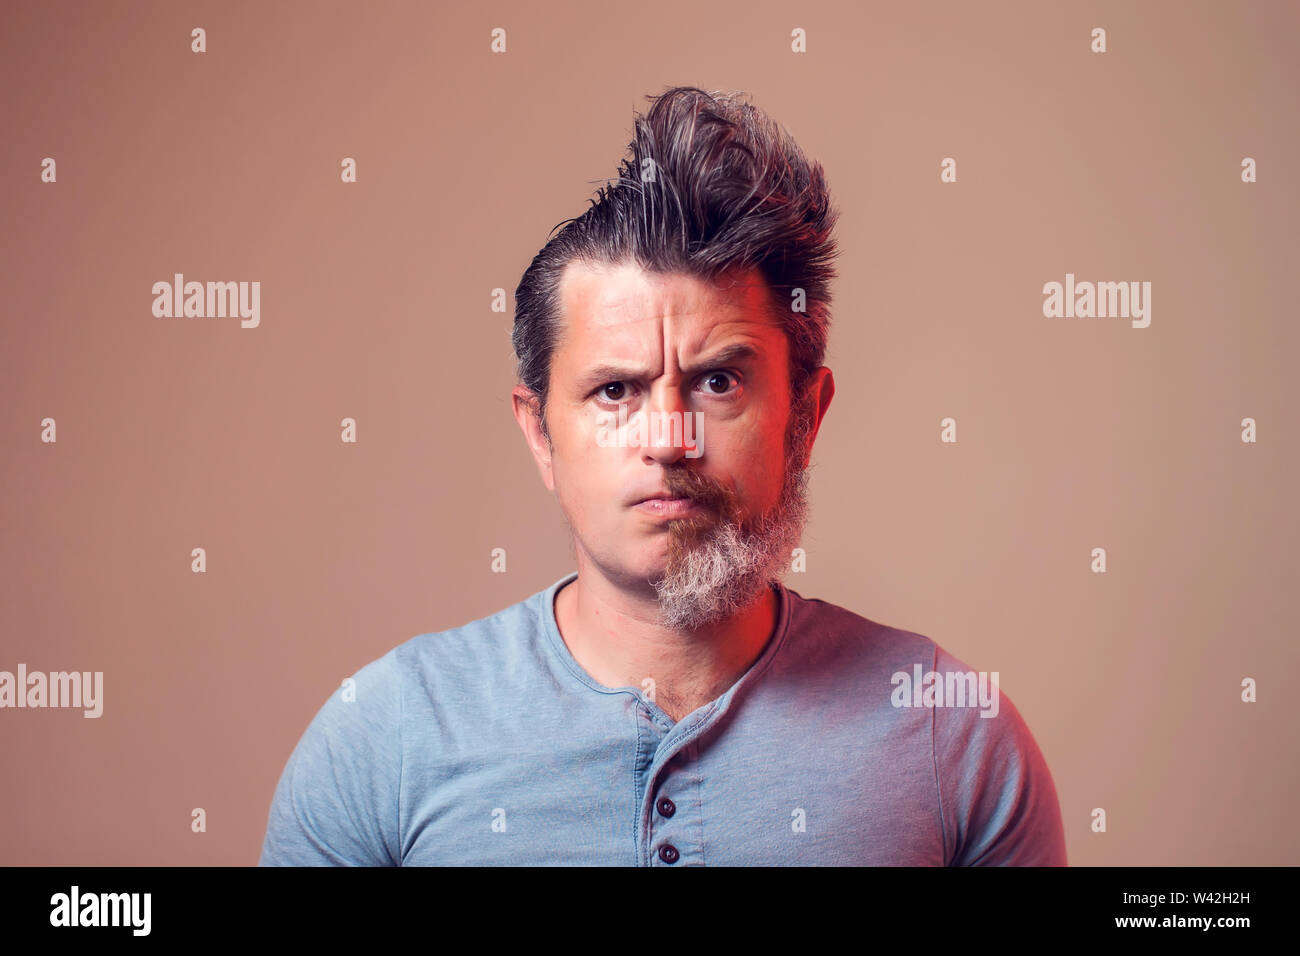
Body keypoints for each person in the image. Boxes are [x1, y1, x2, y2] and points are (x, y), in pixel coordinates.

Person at [258, 86, 1067, 866]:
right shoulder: (386, 737)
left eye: (719, 382)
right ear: (539, 432)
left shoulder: (952, 736)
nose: (671, 439)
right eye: (616, 390)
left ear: (804, 418)